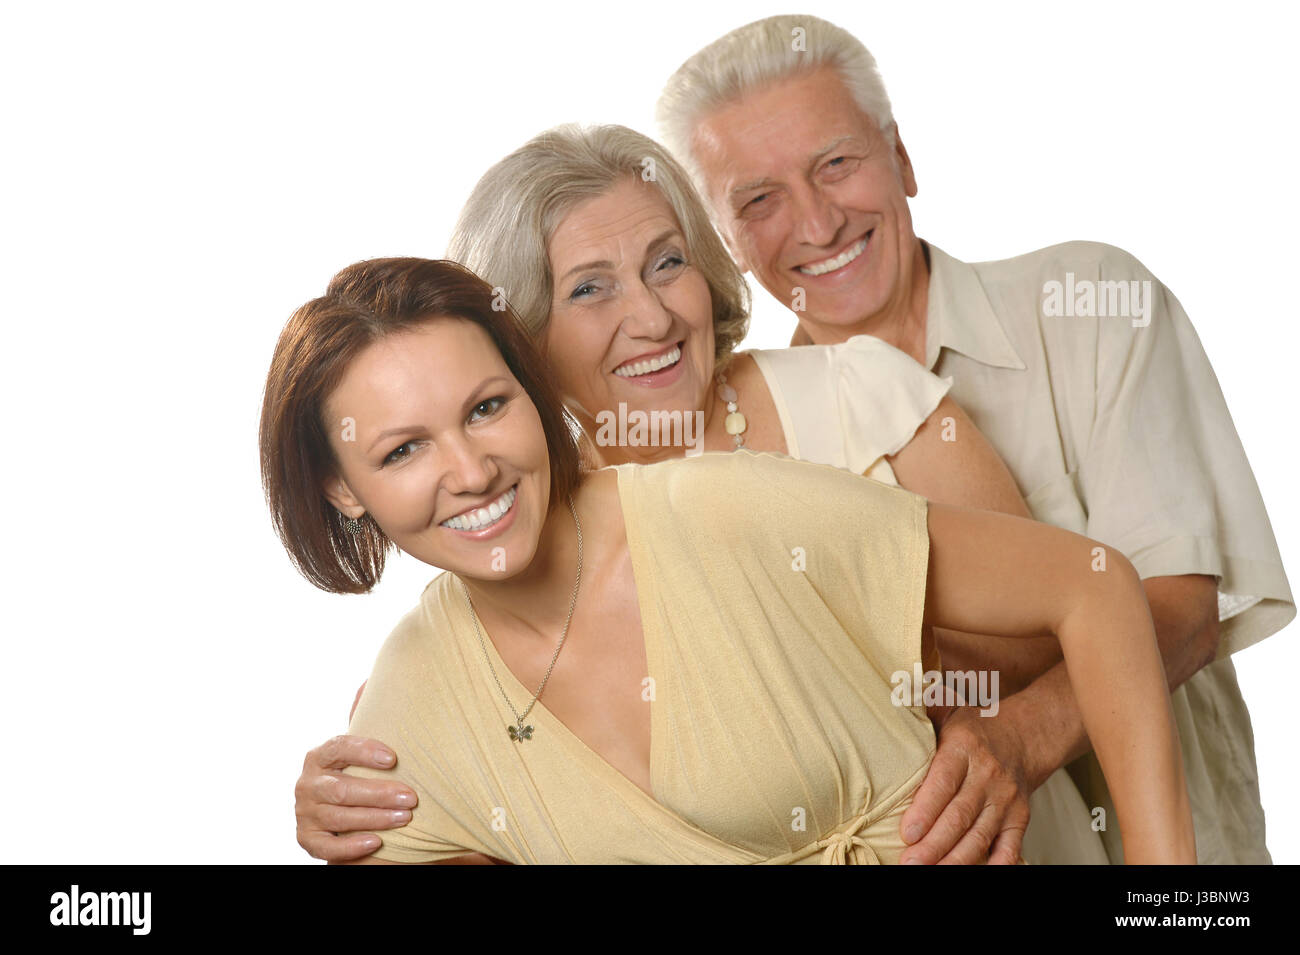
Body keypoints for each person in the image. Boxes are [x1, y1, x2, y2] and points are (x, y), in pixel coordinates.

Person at [293, 124, 1096, 864]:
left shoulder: (861, 392)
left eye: (667, 262)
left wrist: (847, 650)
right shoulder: (516, 518)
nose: (651, 314)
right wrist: (406, 781)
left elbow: (1063, 625)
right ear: (519, 335)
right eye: (590, 289)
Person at [650, 13, 1294, 863]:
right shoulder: (743, 448)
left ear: (903, 159)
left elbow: (1181, 611)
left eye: (835, 164)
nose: (816, 224)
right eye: (759, 200)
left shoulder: (1093, 301)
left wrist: (1021, 734)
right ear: (725, 243)